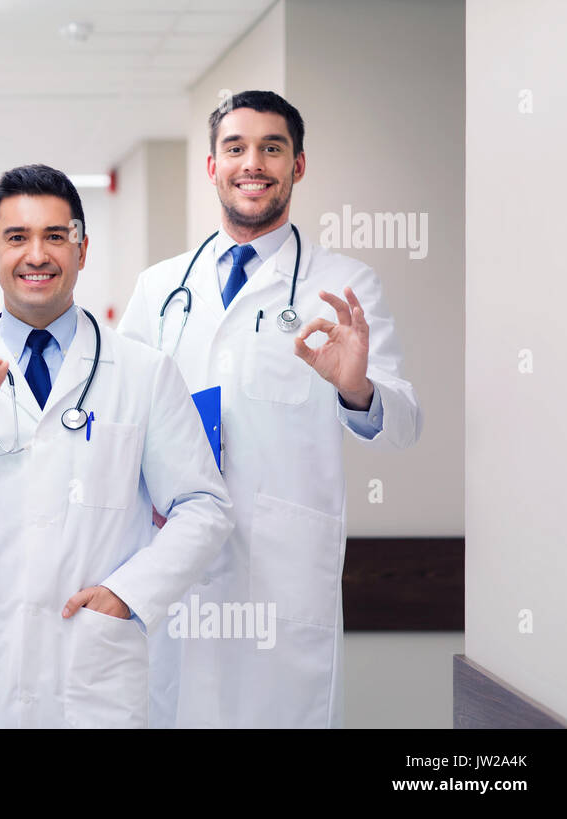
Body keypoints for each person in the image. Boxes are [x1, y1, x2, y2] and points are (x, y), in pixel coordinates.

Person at [117, 90, 422, 728]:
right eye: (235, 148)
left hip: (282, 577)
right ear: (212, 167)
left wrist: (356, 389)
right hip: (177, 563)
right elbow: (125, 423)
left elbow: (404, 427)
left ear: (298, 166)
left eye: (271, 148)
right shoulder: (160, 287)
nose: (252, 163)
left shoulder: (345, 285)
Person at [0, 164, 233, 728]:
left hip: (93, 667)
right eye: (17, 237)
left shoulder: (144, 373)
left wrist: (128, 593)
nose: (37, 254)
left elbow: (205, 507)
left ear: (82, 248)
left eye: (56, 235)